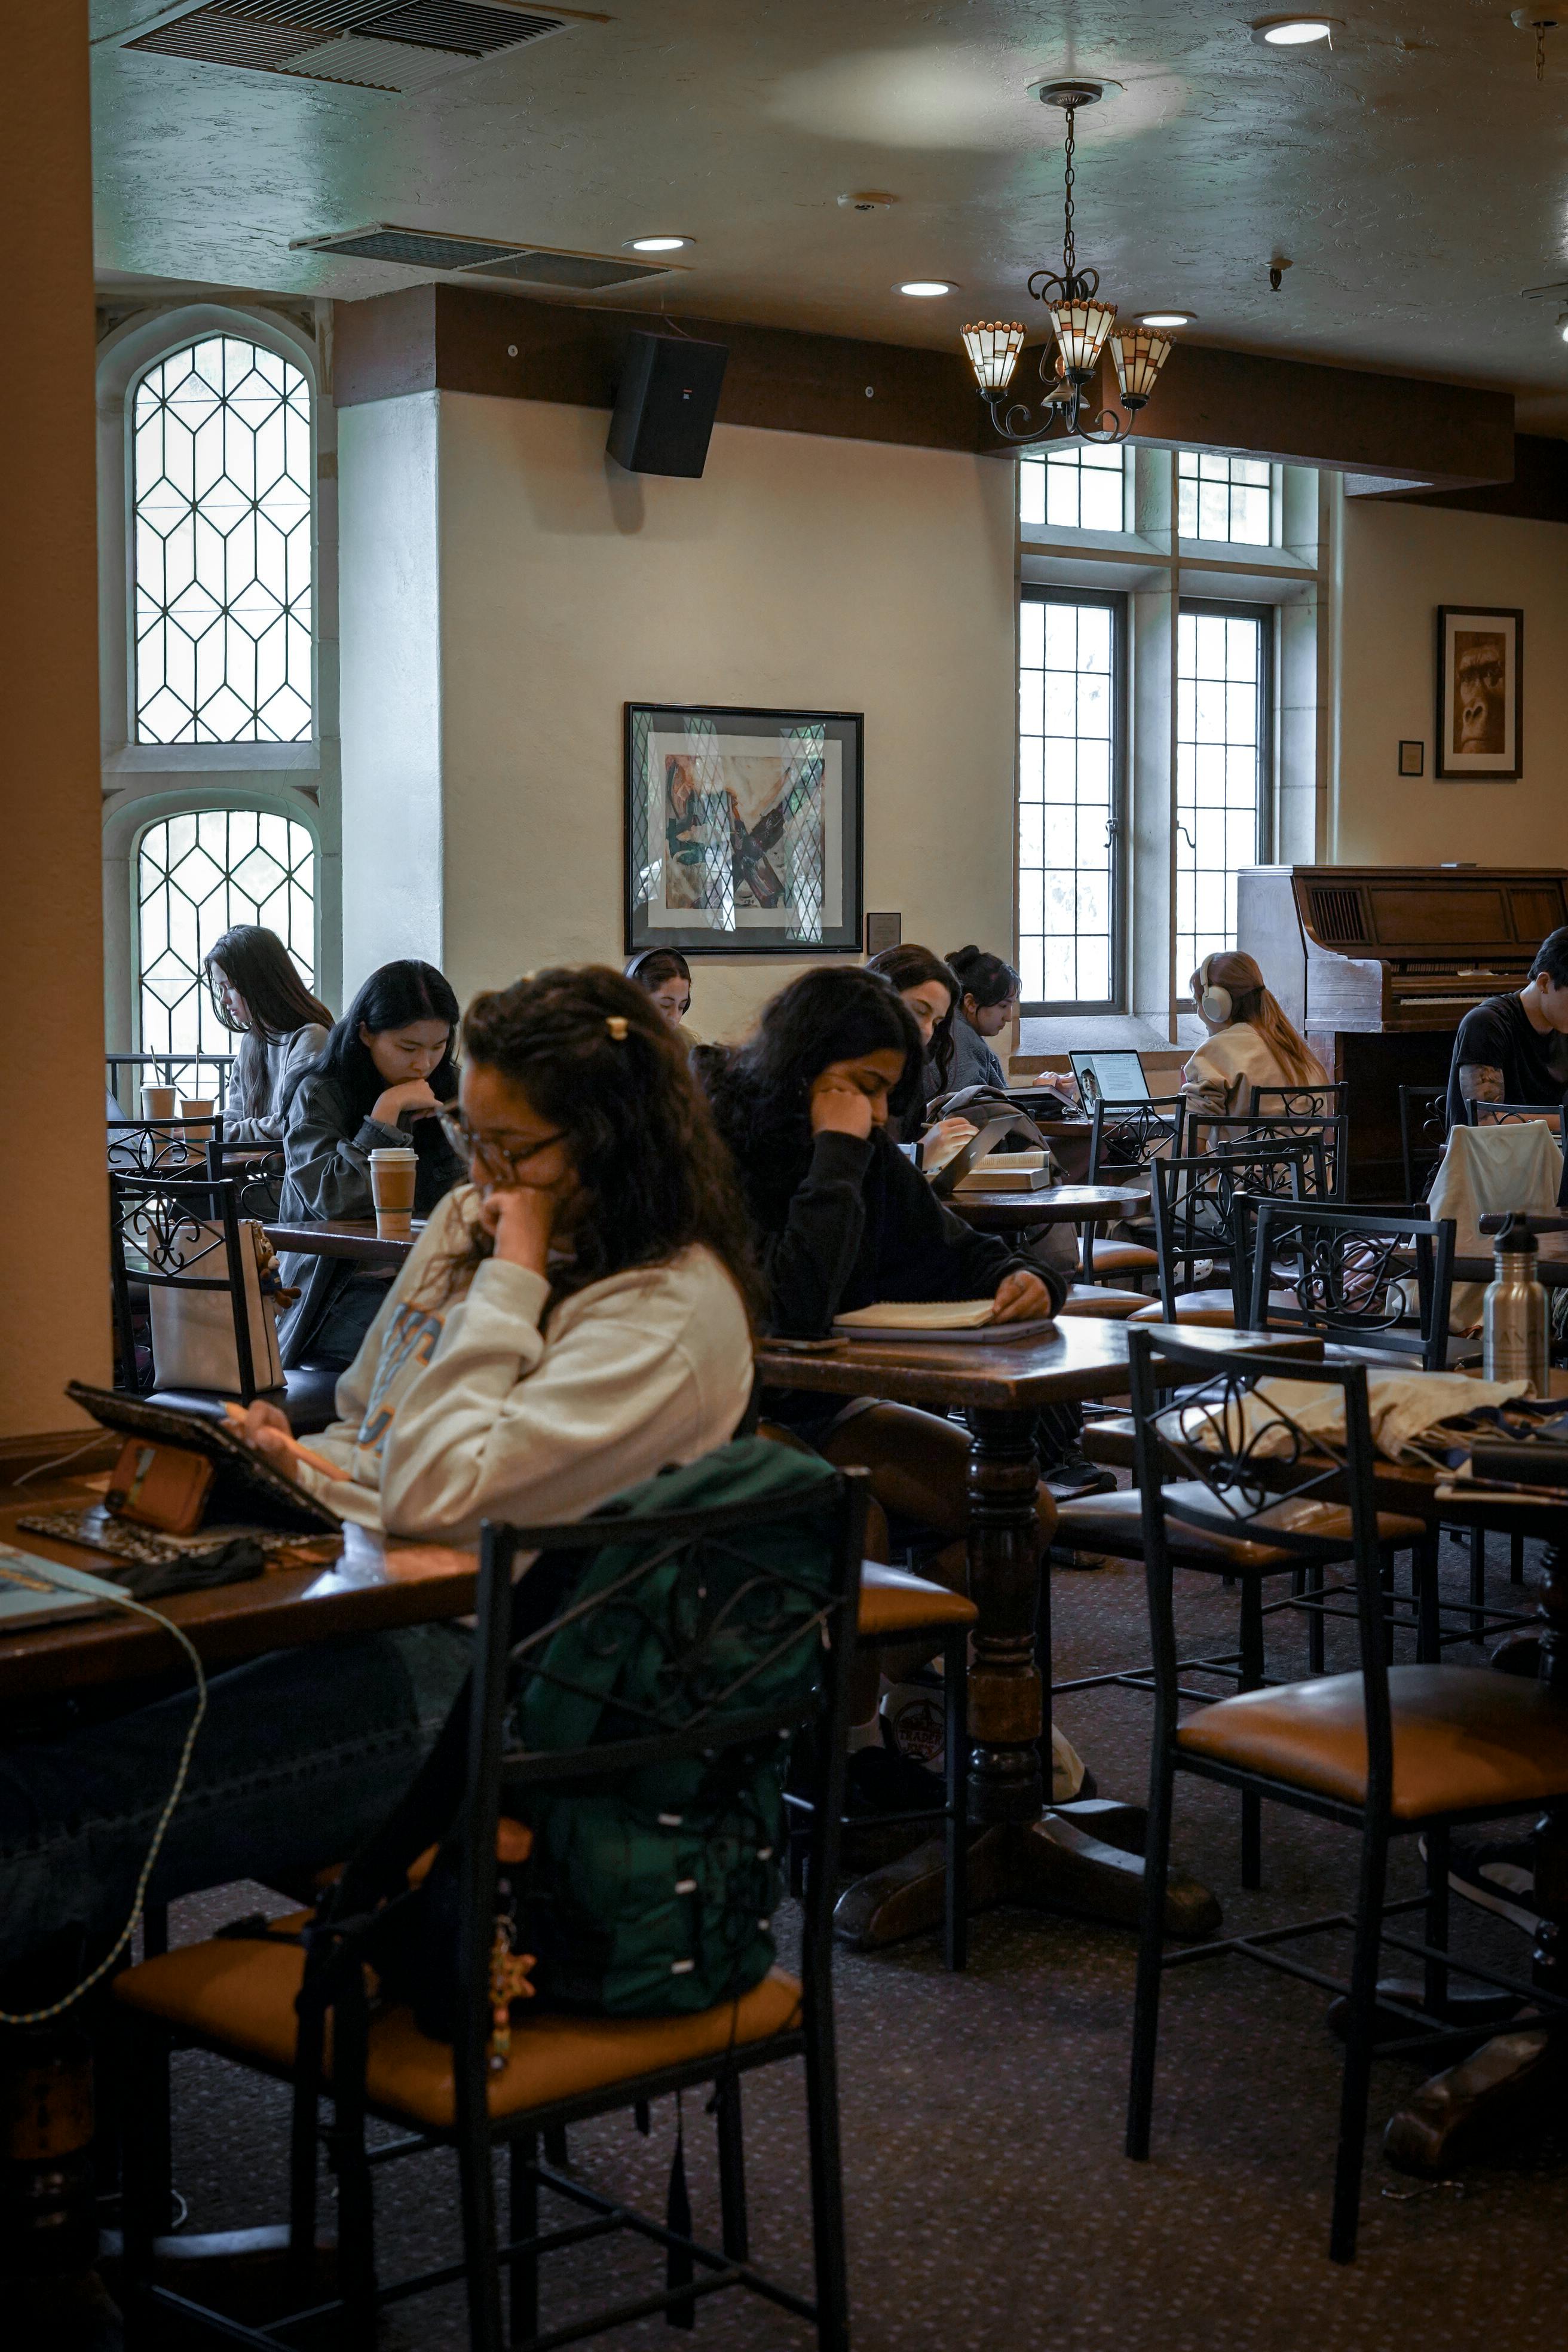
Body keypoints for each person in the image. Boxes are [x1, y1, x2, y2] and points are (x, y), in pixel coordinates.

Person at [0, 967, 757, 1980]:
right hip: (374, 1599)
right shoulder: (479, 1220)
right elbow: (375, 1426)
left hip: (501, 1694)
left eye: (512, 1151)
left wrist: (511, 1283)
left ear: (616, 1144)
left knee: (51, 1816)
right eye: (468, 1138)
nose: (479, 1178)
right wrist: (291, 1462)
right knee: (55, 1711)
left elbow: (434, 1494)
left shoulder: (662, 1312)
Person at [700, 968, 1089, 1804]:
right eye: (865, 1089)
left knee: (1024, 1514)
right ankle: (846, 1758)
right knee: (856, 1517)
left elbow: (957, 1253)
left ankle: (879, 1690)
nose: (880, 1115)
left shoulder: (871, 1154)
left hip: (821, 1405)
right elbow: (793, 1310)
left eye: (887, 1094)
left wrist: (1031, 1282)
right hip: (722, 1410)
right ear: (805, 1069)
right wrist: (837, 1153)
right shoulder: (721, 1147)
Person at [277, 960, 467, 1369]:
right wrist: (383, 1119)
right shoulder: (320, 1093)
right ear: (366, 1033)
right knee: (430, 1354)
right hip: (336, 1292)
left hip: (428, 1278)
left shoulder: (449, 1090)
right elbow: (334, 1201)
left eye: (438, 1047)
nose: (424, 1064)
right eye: (408, 1048)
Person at [203, 925, 333, 1142]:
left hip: (292, 1175)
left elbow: (291, 1124)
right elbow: (236, 1115)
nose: (224, 999)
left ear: (259, 982)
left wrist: (215, 1132)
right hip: (257, 1171)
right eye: (221, 988)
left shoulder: (310, 1038)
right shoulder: (251, 1042)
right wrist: (196, 1128)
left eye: (230, 987)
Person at [1180, 951, 1328, 1122]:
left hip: (1240, 1151)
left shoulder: (1215, 1051)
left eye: (1198, 1004)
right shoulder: (1301, 1053)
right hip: (1306, 1150)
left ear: (1216, 1006)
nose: (1200, 1013)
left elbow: (1189, 1146)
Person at [1445, 925, 1568, 1129]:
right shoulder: (1486, 1023)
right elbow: (1486, 1121)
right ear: (1545, 983)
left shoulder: (1562, 1025)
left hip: (1546, 1154)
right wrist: (1564, 1121)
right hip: (1484, 1158)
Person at [945, 945, 1021, 1092]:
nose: (1009, 1017)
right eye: (1003, 1006)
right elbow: (974, 1110)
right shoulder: (959, 1042)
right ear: (971, 1003)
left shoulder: (961, 1033)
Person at [624, 947, 692, 1031]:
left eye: (681, 1007)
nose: (675, 1017)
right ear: (636, 1002)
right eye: (665, 1005)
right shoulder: (609, 1042)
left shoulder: (688, 1041)